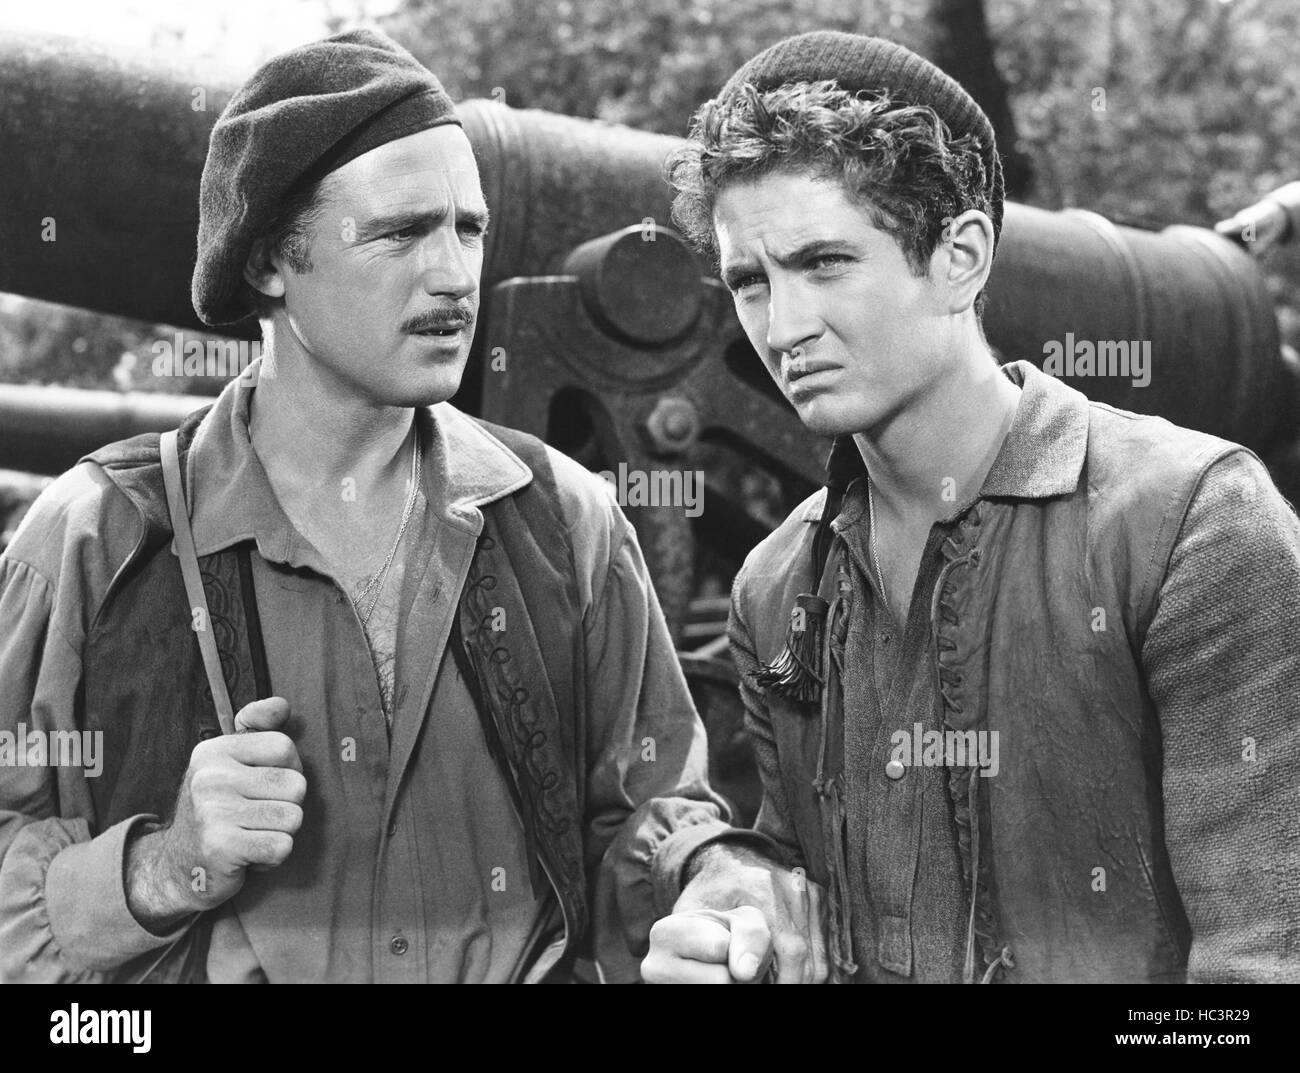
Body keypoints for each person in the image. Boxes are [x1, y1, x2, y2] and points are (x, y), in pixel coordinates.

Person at [0, 28, 821, 984]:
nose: (453, 274)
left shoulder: (565, 519)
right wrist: (161, 866)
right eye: (400, 232)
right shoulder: (96, 537)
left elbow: (646, 816)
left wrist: (713, 875)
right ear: (270, 260)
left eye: (467, 229)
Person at [648, 30, 1300, 983]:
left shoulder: (1194, 523)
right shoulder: (777, 583)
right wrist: (738, 911)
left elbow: (1260, 973)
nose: (782, 328)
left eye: (825, 262)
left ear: (961, 257)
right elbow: (801, 888)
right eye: (751, 280)